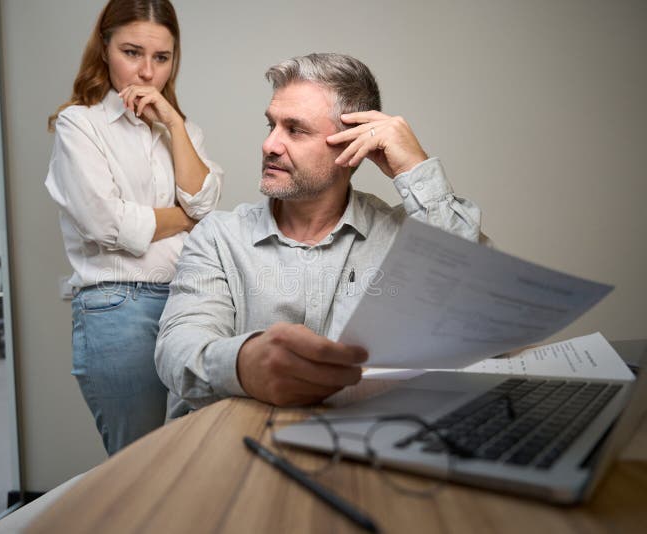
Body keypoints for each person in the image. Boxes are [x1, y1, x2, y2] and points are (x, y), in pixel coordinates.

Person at [155, 53, 484, 418]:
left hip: (363, 444)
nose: (270, 145)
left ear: (351, 147)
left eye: (295, 129)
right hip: (233, 443)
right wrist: (244, 364)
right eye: (271, 126)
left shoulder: (405, 237)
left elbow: (478, 307)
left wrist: (415, 168)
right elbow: (177, 349)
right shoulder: (218, 237)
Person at [44, 0, 223, 455]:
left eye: (161, 58)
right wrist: (187, 217)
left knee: (195, 453)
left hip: (192, 299)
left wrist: (175, 124)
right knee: (140, 463)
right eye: (131, 52)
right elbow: (108, 223)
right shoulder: (79, 125)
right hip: (119, 306)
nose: (147, 72)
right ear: (104, 49)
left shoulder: (182, 132)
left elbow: (204, 198)